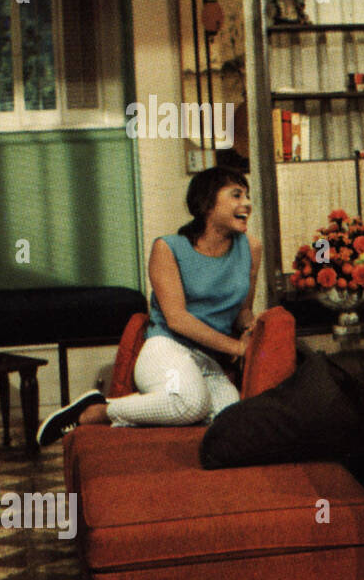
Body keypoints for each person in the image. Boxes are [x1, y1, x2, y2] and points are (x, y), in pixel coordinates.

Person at [37, 167, 262, 445]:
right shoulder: (168, 248)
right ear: (207, 204)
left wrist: (251, 328)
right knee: (191, 404)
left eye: (247, 196)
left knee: (233, 423)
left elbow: (242, 310)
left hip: (210, 361)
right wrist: (237, 348)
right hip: (166, 348)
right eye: (236, 195)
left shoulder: (251, 247)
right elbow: (177, 319)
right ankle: (94, 411)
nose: (247, 204)